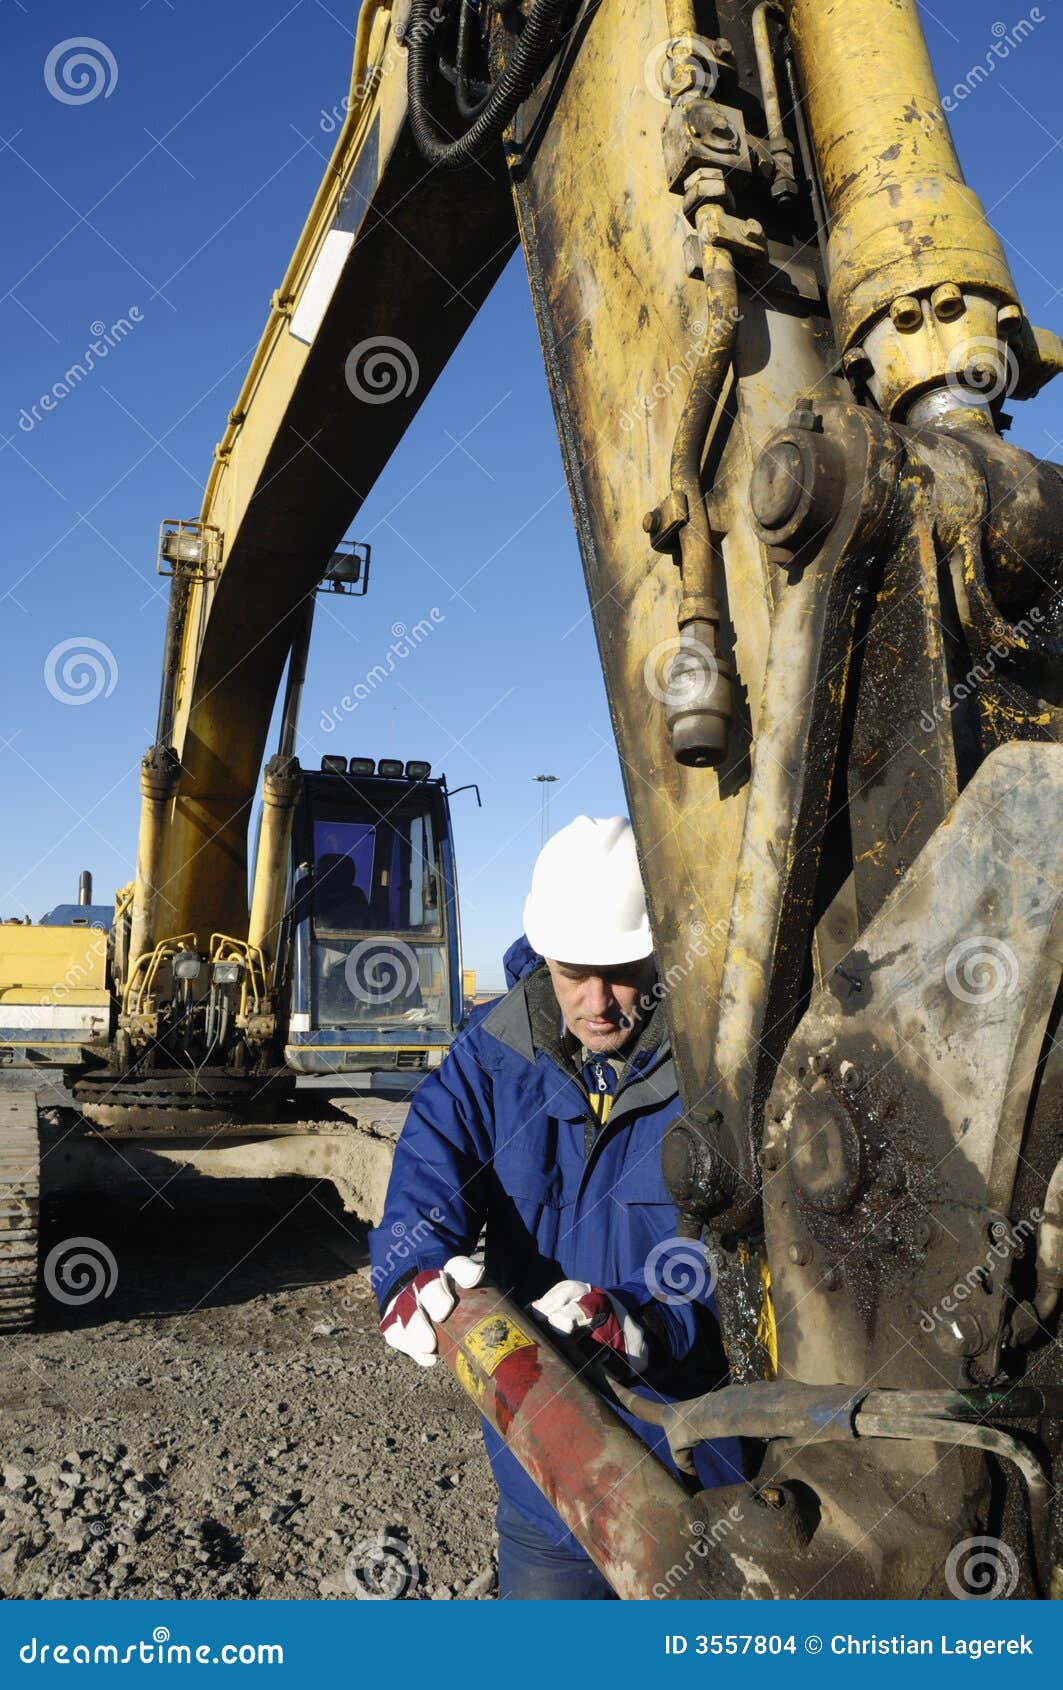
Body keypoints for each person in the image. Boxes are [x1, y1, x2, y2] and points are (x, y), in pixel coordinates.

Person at [369, 815, 742, 1599]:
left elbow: (754, 1255)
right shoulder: (493, 1054)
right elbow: (429, 1168)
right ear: (542, 954)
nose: (599, 1003)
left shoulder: (722, 1068)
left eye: (622, 973)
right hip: (546, 1475)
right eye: (575, 973)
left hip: (700, 1464)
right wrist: (408, 1270)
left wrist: (646, 1321)